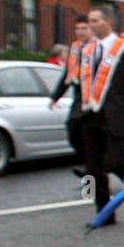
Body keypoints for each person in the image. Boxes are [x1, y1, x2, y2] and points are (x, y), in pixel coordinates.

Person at [79, 6, 124, 222]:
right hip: (91, 115)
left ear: (108, 22)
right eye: (89, 21)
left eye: (95, 20)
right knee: (92, 169)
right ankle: (103, 212)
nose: (90, 25)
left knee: (118, 163)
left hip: (117, 116)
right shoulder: (87, 50)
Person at [49, 19, 93, 173]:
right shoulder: (75, 49)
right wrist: (55, 97)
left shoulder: (100, 48)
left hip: (97, 99)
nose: (80, 31)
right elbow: (68, 75)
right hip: (80, 98)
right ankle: (91, 165)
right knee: (73, 130)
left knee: (93, 136)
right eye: (77, 28)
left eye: (84, 28)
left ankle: (95, 168)